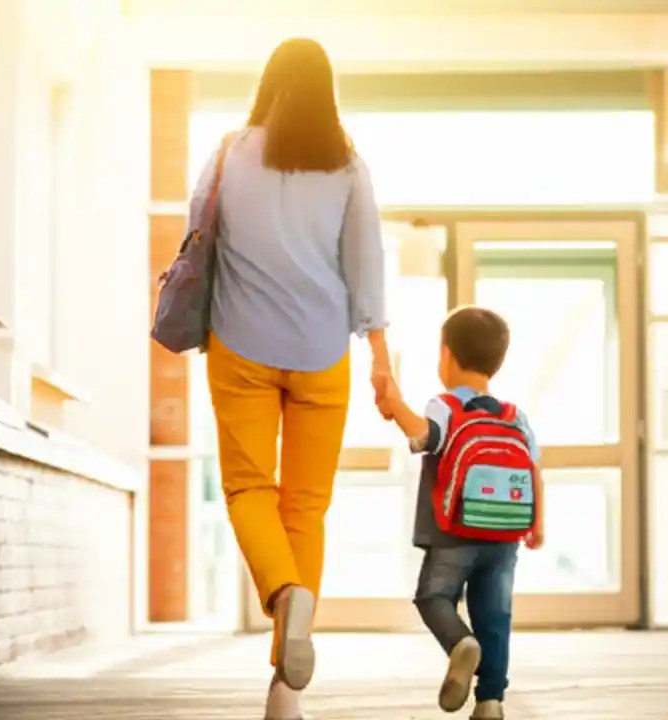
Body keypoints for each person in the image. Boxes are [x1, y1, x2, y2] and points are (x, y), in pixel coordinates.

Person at [194, 38, 391, 720]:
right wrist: (382, 359)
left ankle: (283, 593)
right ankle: (285, 694)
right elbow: (367, 263)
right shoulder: (347, 165)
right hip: (320, 354)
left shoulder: (229, 151)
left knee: (250, 490)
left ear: (269, 83)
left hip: (240, 346)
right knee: (304, 510)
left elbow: (198, 237)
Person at [376, 306, 545, 720]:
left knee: (433, 596)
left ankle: (458, 644)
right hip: (504, 538)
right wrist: (535, 523)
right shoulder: (513, 415)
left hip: (452, 533)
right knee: (495, 616)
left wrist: (394, 403)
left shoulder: (446, 406)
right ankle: (491, 702)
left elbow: (422, 435)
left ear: (446, 356)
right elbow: (534, 470)